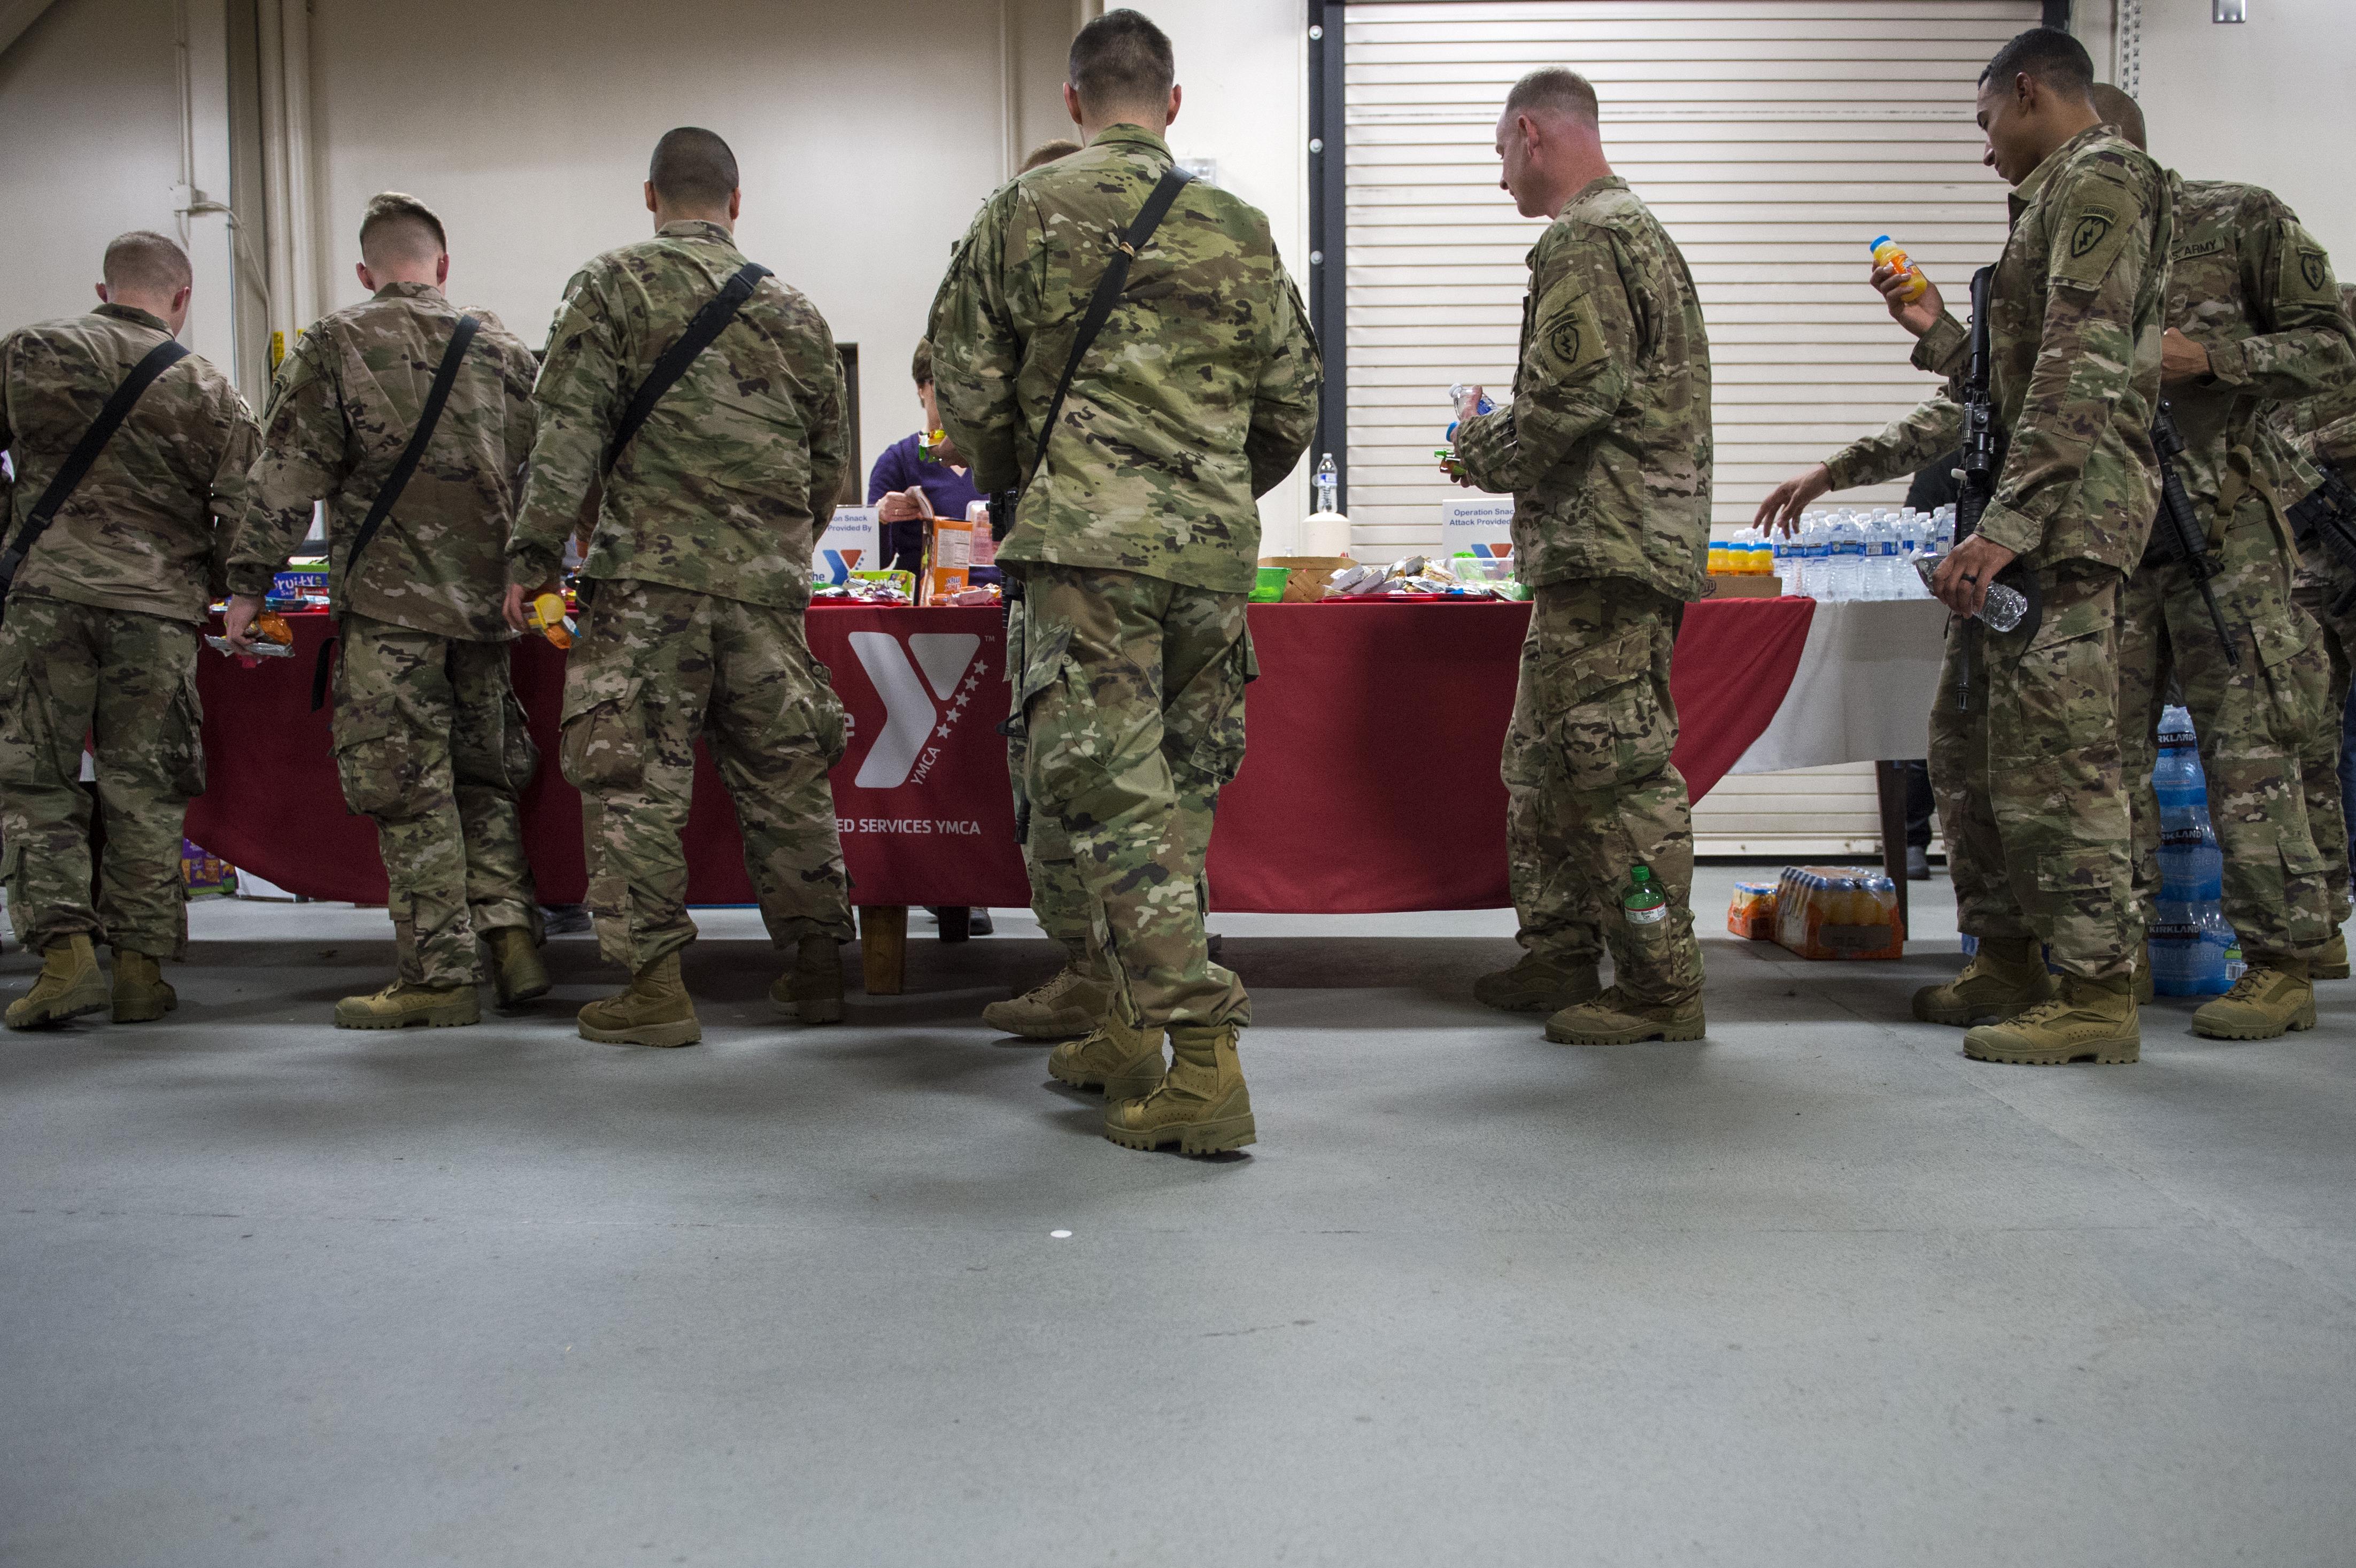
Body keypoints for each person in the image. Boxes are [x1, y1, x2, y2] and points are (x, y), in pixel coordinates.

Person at [929, 9, 1319, 1152]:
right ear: (1173, 102)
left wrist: (1033, 482)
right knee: (1175, 798)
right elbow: (1291, 402)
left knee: (1108, 801)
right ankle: (1119, 1017)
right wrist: (1205, 484)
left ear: (1071, 102)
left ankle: (1201, 1061)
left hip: (1087, 546)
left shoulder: (1018, 212)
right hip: (1205, 552)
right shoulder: (1240, 226)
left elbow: (966, 385)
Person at [1756, 27, 2169, 1065]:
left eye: (1985, 121)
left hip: (2064, 525)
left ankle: (2093, 991)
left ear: (2028, 91)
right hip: (2014, 524)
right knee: (1965, 747)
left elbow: (2077, 373)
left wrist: (2006, 526)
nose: (1982, 147)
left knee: (2057, 761)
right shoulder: (2041, 206)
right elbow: (1992, 393)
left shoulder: (2103, 181)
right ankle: (2007, 957)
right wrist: (1923, 342)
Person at [507, 127, 855, 1048]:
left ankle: (655, 987)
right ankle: (819, 967)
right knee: (786, 777)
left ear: (650, 195)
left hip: (647, 584)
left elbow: (566, 434)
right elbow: (827, 467)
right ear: (736, 203)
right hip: (763, 591)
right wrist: (777, 551)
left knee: (632, 780)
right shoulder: (800, 313)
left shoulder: (610, 284)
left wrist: (535, 558)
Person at [223, 191, 551, 1029]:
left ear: (365, 273)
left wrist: (247, 586)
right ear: (442, 268)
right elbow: (552, 476)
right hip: (487, 613)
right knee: (483, 779)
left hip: (390, 613)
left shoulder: (337, 343)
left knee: (409, 790)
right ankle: (513, 945)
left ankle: (439, 976)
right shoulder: (507, 353)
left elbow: (286, 473)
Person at [2081, 87, 2355, 1038]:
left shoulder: (2240, 218)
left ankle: (2281, 963)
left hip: (2225, 540)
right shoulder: (2068, 253)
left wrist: (2214, 361)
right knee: (2103, 767)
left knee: (2249, 756)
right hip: (2113, 545)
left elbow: (2332, 352)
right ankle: (2103, 967)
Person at [1452, 67, 1713, 1045]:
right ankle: (1559, 949)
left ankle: (1658, 983)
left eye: (1498, 156)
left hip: (1610, 549)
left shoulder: (1587, 238)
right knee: (1543, 762)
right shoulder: (1631, 233)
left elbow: (1569, 402)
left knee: (1613, 772)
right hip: (1600, 549)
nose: (1501, 179)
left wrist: (1481, 447)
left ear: (1530, 132)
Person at [0, 231, 259, 1028]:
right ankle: (141, 972)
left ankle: (64, 957)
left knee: (35, 781)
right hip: (156, 613)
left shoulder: (27, 353)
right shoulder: (209, 386)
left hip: (45, 600)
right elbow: (246, 506)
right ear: (182, 297)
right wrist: (231, 590)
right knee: (144, 789)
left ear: (103, 287)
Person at [2273, 282, 2356, 975]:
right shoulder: (2238, 340)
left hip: (2344, 547)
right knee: (2308, 746)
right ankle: (2321, 921)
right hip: (2295, 576)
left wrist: (2313, 447)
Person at [867, 339, 985, 576]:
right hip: (926, 600)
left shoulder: (991, 456)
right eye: (940, 384)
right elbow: (873, 561)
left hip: (992, 598)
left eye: (962, 384)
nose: (952, 395)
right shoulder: (899, 460)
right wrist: (879, 518)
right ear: (921, 388)